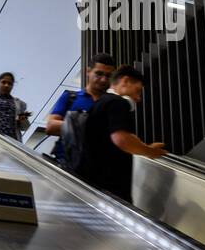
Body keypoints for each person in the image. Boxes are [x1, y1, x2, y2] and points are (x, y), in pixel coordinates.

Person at [79, 65, 166, 201]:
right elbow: (121, 139)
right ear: (125, 81)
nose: (138, 99)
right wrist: (150, 151)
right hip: (110, 187)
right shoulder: (117, 102)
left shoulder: (100, 103)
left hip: (92, 183)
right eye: (138, 91)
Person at [45, 52, 115, 169]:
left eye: (108, 76)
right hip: (64, 165)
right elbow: (51, 126)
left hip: (98, 170)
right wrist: (90, 127)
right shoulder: (70, 97)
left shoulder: (113, 104)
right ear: (88, 71)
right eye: (98, 74)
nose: (103, 80)